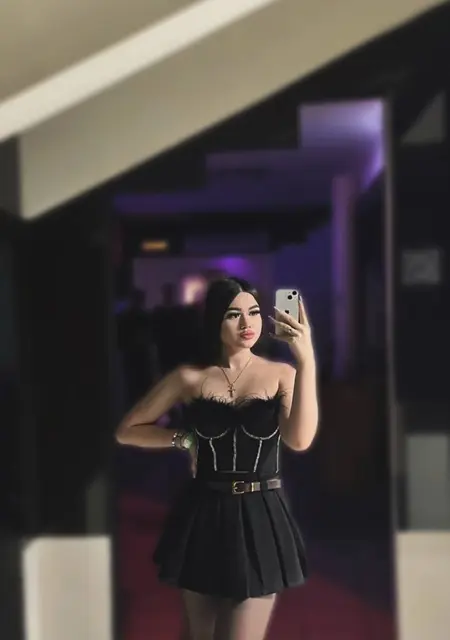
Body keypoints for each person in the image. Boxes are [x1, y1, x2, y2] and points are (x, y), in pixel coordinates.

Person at [116, 277, 319, 640]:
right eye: (233, 314)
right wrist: (184, 439)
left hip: (260, 514)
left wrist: (306, 361)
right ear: (215, 320)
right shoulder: (189, 378)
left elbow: (300, 440)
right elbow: (127, 430)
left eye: (253, 312)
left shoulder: (282, 375)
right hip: (204, 512)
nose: (247, 324)